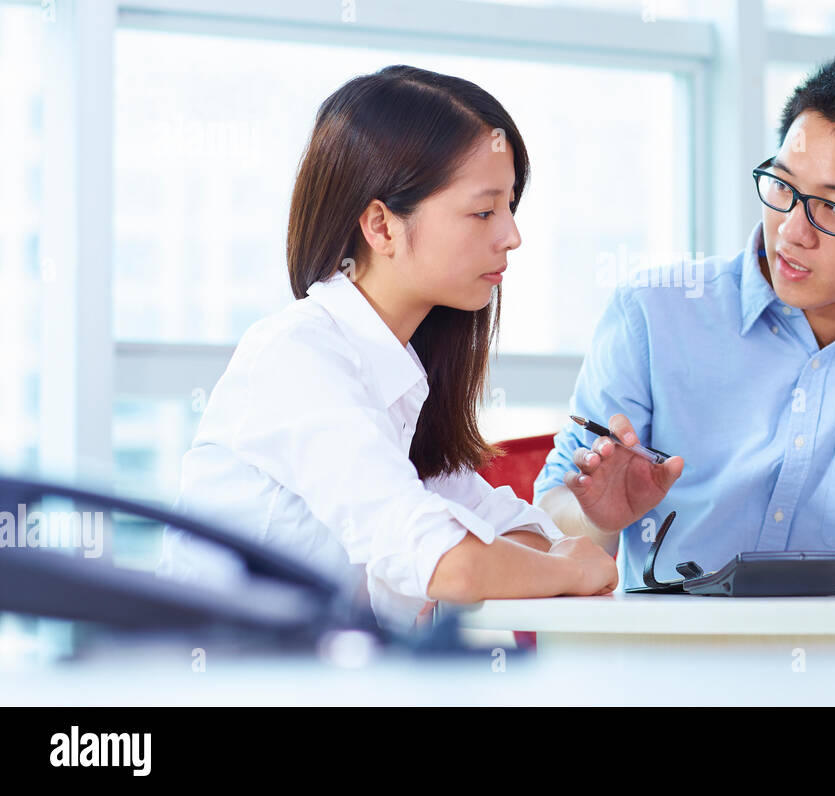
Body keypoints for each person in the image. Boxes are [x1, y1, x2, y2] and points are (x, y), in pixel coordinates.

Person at [535, 50, 835, 585]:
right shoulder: (654, 313)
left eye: (832, 208)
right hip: (674, 652)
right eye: (783, 187)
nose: (792, 230)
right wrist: (595, 517)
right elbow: (550, 524)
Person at [157, 65, 617, 632]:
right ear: (381, 225)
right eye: (483, 211)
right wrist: (562, 570)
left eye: (510, 209)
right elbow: (452, 564)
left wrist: (538, 558)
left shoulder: (402, 374)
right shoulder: (297, 356)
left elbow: (514, 529)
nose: (511, 236)